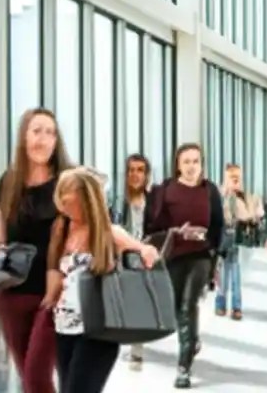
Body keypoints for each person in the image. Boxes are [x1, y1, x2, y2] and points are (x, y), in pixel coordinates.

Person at [0, 108, 74, 393]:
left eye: (50, 132)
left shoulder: (69, 181)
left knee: (36, 375)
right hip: (14, 293)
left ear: (56, 141)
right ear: (24, 136)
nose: (43, 139)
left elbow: (90, 231)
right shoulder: (8, 182)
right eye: (37, 131)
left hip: (55, 294)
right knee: (28, 377)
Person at [45, 167, 160, 392]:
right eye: (61, 196)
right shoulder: (62, 228)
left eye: (68, 196)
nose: (63, 202)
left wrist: (147, 252)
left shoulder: (109, 232)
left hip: (98, 332)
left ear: (86, 197)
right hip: (64, 329)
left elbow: (146, 252)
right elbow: (57, 273)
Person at [145, 143, 225, 389]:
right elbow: (151, 226)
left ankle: (183, 366)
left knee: (188, 304)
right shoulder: (165, 190)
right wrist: (175, 232)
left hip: (200, 255)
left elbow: (218, 225)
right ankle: (193, 338)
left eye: (196, 161)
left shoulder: (209, 190)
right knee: (175, 306)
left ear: (202, 164)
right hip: (173, 256)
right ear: (178, 164)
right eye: (187, 161)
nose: (192, 166)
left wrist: (214, 252)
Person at [111, 153, 151, 370]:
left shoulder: (152, 202)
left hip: (144, 259)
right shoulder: (117, 201)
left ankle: (137, 351)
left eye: (140, 170)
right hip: (122, 258)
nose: (135, 175)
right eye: (131, 170)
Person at [216, 162, 262, 320]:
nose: (235, 181)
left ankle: (236, 307)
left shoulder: (246, 196)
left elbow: (252, 216)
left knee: (236, 274)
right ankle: (220, 304)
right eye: (232, 177)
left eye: (237, 178)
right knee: (222, 274)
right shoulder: (219, 195)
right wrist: (226, 194)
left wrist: (241, 199)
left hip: (238, 239)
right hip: (223, 238)